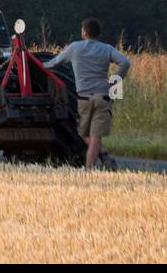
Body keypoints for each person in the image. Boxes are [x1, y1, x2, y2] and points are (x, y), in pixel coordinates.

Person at [43, 18, 131, 170]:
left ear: (84, 32)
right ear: (98, 33)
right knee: (95, 136)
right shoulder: (107, 49)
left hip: (83, 98)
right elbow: (125, 62)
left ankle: (89, 170)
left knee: (84, 133)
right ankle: (105, 157)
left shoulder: (74, 48)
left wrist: (39, 64)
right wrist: (114, 81)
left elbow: (54, 63)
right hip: (103, 97)